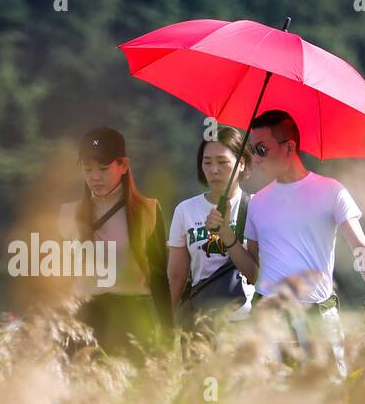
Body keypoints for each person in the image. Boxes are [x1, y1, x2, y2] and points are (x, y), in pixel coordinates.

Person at [205, 109, 365, 378]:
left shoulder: (331, 191)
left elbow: (360, 245)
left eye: (261, 149)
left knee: (328, 397)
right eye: (252, 149)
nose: (254, 158)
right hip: (270, 320)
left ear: (289, 147)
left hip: (319, 318)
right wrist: (228, 238)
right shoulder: (256, 204)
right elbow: (253, 272)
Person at [58, 127, 172, 357]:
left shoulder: (148, 211)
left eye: (103, 168)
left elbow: (159, 277)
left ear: (123, 166)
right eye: (87, 169)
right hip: (83, 320)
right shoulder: (68, 213)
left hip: (132, 320)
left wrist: (168, 333)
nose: (95, 177)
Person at [167, 125, 256, 328]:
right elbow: (176, 276)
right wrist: (167, 324)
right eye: (207, 163)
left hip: (245, 324)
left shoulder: (256, 208)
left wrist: (226, 234)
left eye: (223, 162)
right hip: (199, 322)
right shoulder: (185, 210)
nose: (213, 170)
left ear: (241, 163)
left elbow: (256, 275)